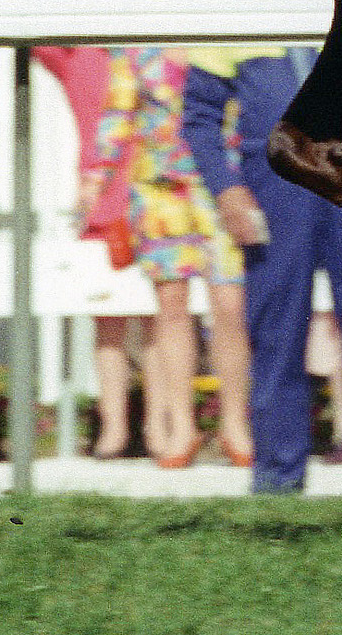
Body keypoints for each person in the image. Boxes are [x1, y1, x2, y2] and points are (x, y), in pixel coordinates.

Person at [183, 47, 342, 494]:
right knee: (276, 332)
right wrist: (226, 190)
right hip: (276, 181)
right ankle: (278, 481)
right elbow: (199, 115)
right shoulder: (240, 10)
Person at [39, 45, 255, 467]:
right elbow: (118, 115)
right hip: (160, 193)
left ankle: (235, 424)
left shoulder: (227, 45)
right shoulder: (137, 53)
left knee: (230, 306)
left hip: (223, 190)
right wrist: (95, 178)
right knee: (170, 308)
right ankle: (181, 427)